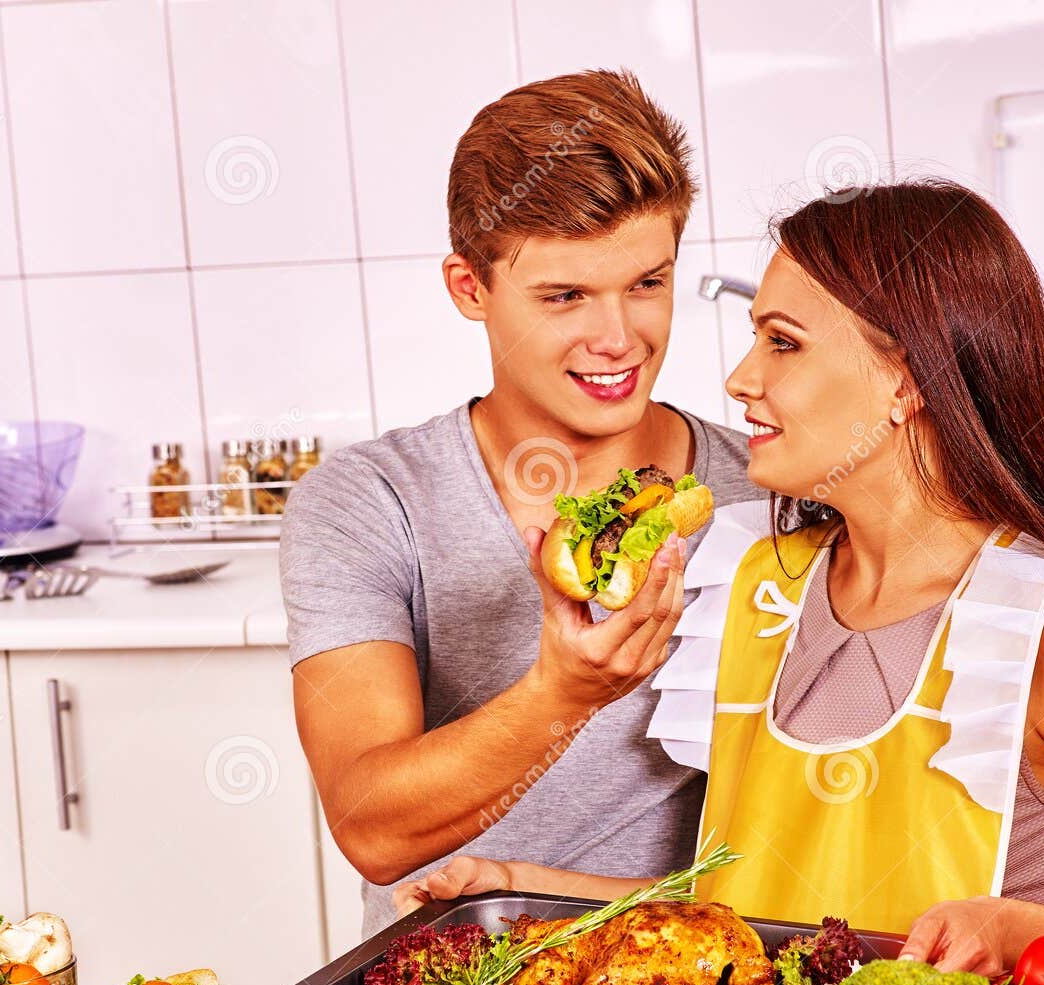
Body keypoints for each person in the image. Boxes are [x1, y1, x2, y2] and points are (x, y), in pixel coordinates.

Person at [400, 179, 1044, 977]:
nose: (741, 379)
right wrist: (520, 889)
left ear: (906, 381)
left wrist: (1026, 933)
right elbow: (749, 918)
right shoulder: (754, 587)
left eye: (782, 342)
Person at [279, 70, 762, 936]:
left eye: (646, 284)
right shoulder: (366, 502)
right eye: (565, 295)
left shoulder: (764, 488)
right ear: (470, 288)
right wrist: (563, 693)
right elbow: (370, 826)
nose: (619, 339)